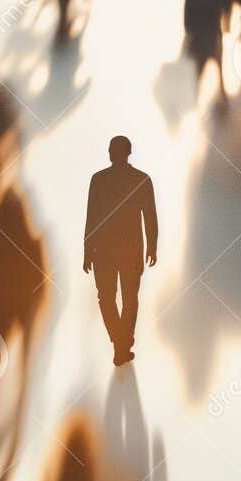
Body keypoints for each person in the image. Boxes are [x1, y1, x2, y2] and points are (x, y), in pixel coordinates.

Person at [84, 136, 158, 366]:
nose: (109, 152)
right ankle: (122, 342)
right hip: (129, 249)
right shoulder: (141, 180)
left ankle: (120, 342)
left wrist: (88, 249)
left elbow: (92, 217)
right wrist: (152, 246)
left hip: (105, 250)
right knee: (127, 299)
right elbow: (151, 218)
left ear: (115, 153)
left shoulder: (99, 179)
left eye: (111, 149)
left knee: (109, 298)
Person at [175, 0, 226, 94]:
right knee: (219, 65)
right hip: (215, 35)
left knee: (199, 69)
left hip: (198, 37)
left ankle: (196, 95)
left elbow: (187, 21)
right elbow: (220, 12)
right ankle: (222, 92)